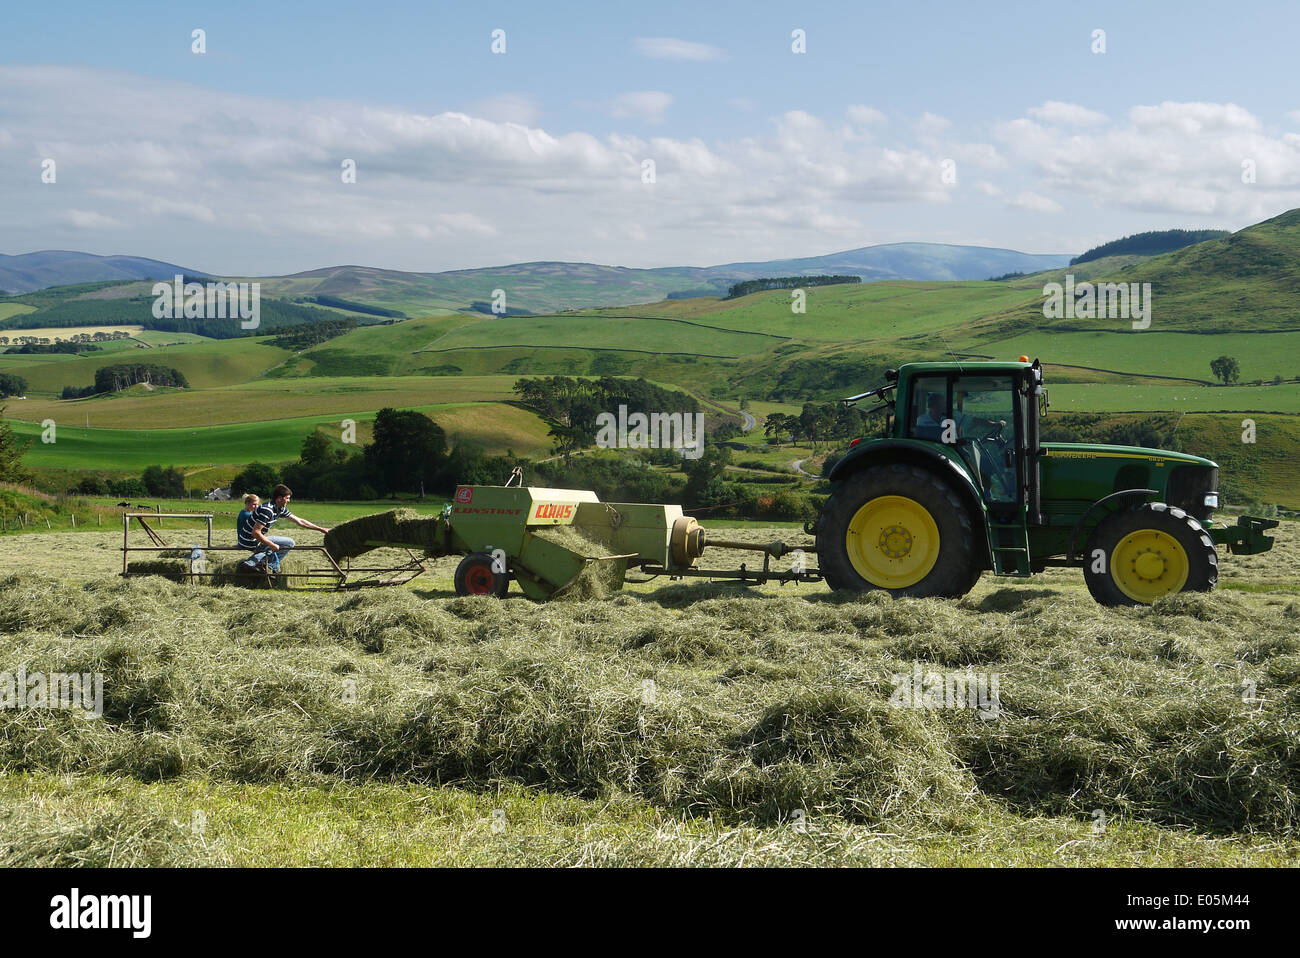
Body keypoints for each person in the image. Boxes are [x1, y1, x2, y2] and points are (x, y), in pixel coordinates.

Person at [239, 484, 330, 573]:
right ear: (279, 498)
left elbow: (300, 521)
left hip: (254, 539)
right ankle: (258, 564)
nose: (289, 500)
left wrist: (320, 529)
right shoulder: (267, 510)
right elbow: (255, 533)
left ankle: (264, 565)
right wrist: (271, 545)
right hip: (250, 541)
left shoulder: (280, 509)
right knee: (285, 544)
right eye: (287, 498)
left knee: (287, 543)